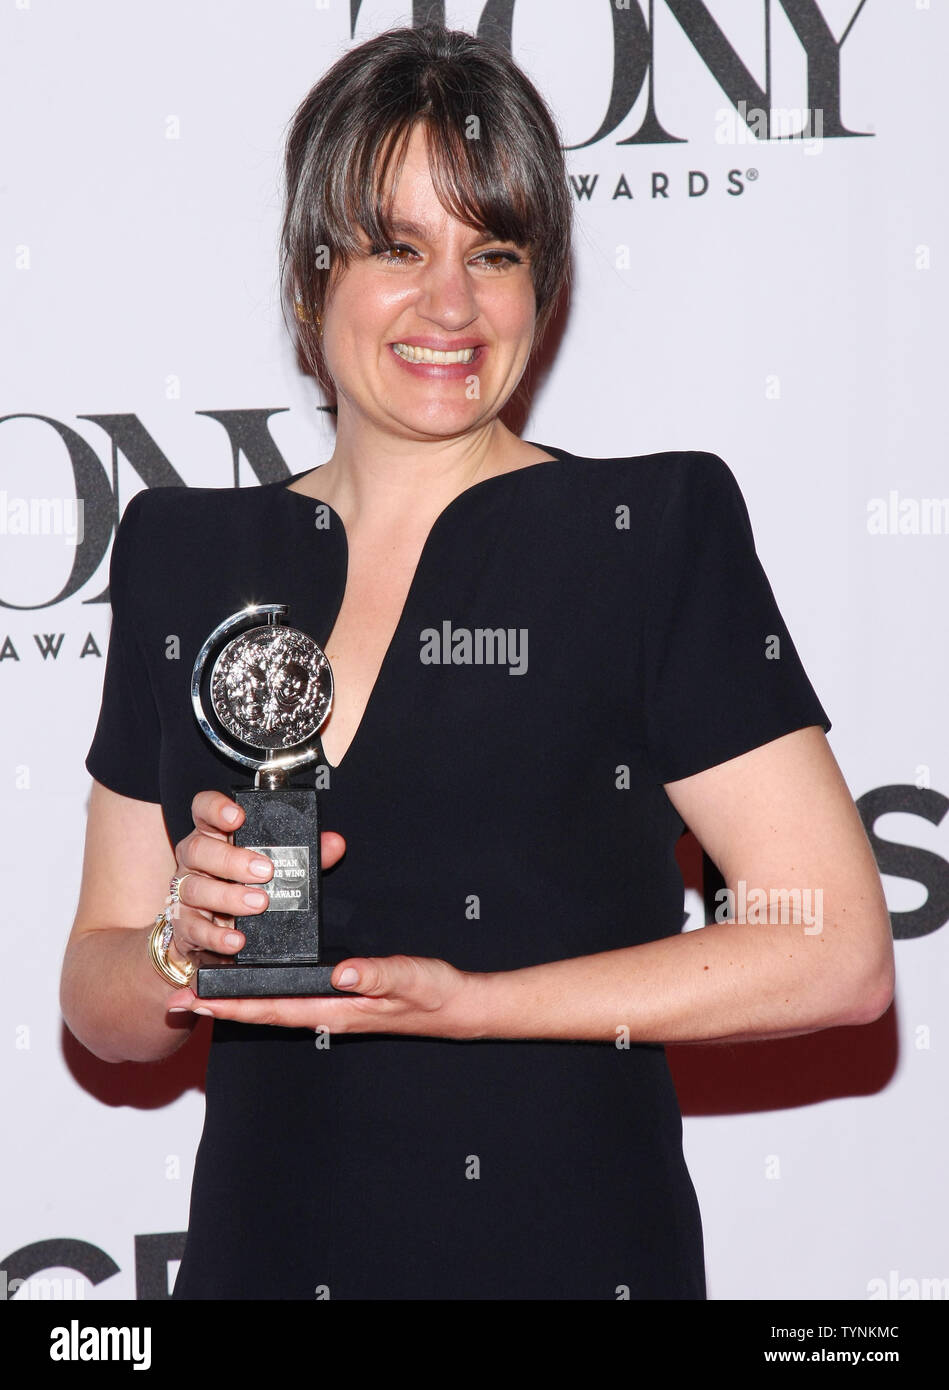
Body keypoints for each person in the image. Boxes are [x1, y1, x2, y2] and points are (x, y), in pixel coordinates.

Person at [61, 23, 894, 1301]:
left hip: (565, 1252)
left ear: (539, 288)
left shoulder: (648, 534)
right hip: (266, 1256)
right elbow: (99, 1003)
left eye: (491, 253)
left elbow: (835, 947)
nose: (449, 306)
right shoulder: (184, 551)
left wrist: (481, 1003)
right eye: (397, 248)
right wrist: (181, 943)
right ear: (308, 277)